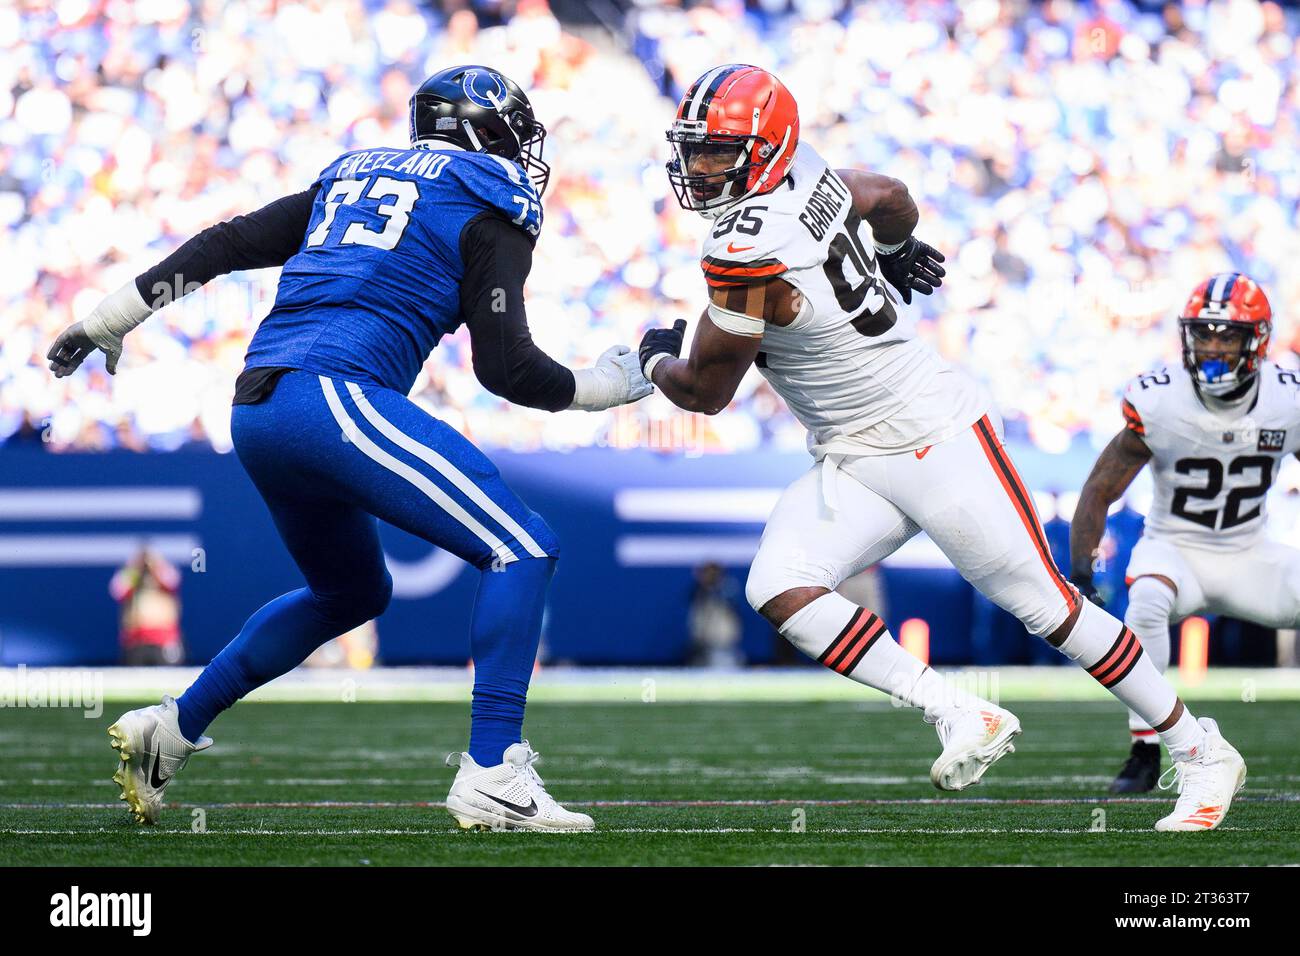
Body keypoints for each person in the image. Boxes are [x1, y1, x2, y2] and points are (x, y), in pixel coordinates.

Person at [637, 63, 1245, 831]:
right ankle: (960, 712)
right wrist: (896, 249)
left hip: (931, 434)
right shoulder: (808, 173)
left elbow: (704, 392)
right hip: (853, 452)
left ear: (766, 148)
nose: (698, 167)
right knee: (782, 586)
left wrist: (654, 357)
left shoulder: (744, 249)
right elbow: (888, 197)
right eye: (693, 149)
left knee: (1047, 609)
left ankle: (1199, 748)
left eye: (717, 150)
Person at [48, 65, 651, 832]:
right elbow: (508, 370)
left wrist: (111, 317)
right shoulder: (489, 203)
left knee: (352, 595)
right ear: (486, 132)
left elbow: (226, 243)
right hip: (331, 395)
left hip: (260, 407)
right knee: (525, 546)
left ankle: (171, 727)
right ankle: (495, 772)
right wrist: (611, 384)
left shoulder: (354, 176)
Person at [1071, 273, 1291, 797]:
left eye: (1227, 335)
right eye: (1204, 334)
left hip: (1251, 551)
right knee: (1145, 599)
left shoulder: (1287, 400)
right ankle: (1146, 748)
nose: (1212, 346)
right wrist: (1081, 570)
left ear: (1256, 340)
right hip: (1176, 548)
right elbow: (1101, 488)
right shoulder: (1161, 399)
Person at [111, 544, 184, 666]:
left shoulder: (164, 573)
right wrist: (134, 568)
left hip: (164, 640)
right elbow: (117, 590)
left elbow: (173, 582)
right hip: (136, 642)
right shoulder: (132, 576)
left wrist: (156, 565)